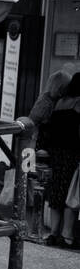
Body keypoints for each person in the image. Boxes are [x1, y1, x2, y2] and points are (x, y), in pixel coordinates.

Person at [42, 72, 80, 248]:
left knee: (56, 191)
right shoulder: (78, 103)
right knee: (70, 194)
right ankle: (67, 236)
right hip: (72, 153)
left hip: (56, 153)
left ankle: (53, 233)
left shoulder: (59, 103)